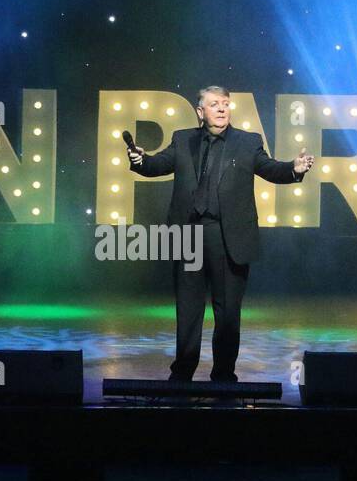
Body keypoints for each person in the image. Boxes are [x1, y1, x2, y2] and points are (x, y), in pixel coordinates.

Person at [127, 85, 313, 381]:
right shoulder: (183, 139)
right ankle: (183, 370)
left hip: (228, 237)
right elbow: (157, 164)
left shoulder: (247, 141)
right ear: (201, 111)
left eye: (225, 103)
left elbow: (270, 169)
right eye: (214, 104)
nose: (222, 108)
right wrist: (141, 159)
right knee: (188, 309)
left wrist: (294, 169)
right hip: (188, 235)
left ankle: (224, 373)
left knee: (227, 312)